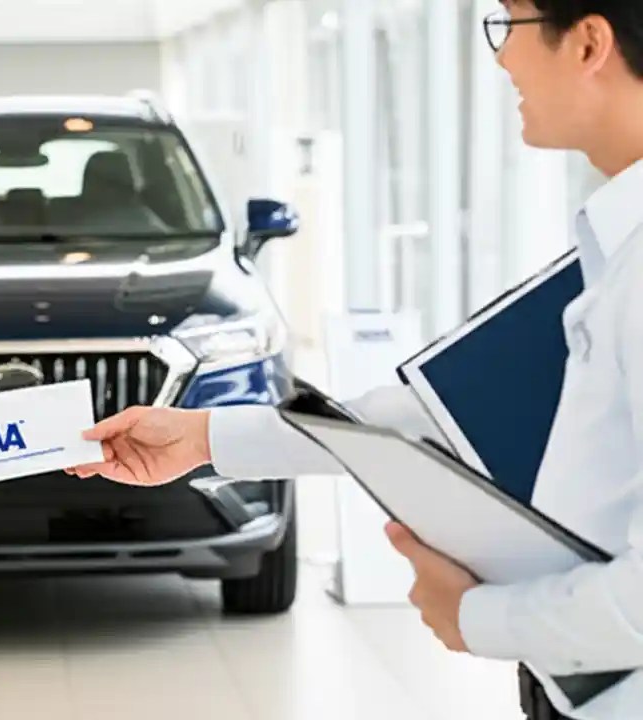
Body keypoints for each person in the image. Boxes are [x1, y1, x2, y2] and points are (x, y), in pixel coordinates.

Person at [72, 3, 643, 718]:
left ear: (589, 41)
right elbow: (433, 418)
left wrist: (476, 618)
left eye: (509, 25)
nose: (500, 59)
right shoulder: (614, 245)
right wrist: (201, 438)